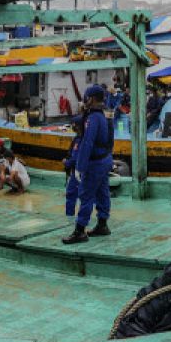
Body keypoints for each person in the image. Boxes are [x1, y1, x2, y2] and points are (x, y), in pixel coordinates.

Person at [62, 84, 113, 244]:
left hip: (95, 163)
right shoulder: (106, 115)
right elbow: (110, 140)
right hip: (105, 159)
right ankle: (102, 224)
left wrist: (80, 166)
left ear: (91, 99)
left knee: (86, 194)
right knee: (102, 192)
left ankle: (80, 230)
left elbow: (87, 142)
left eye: (87, 97)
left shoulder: (93, 118)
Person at [62, 117, 83, 217]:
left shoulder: (80, 140)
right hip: (81, 170)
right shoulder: (79, 138)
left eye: (74, 124)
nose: (72, 127)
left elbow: (76, 158)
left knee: (71, 193)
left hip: (79, 171)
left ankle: (71, 216)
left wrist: (67, 163)